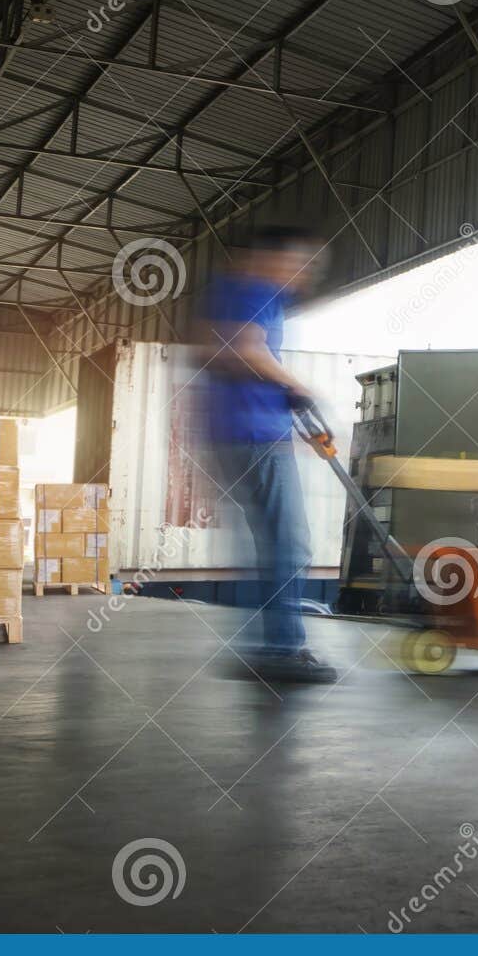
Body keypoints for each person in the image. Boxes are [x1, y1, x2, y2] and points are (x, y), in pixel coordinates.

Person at [201, 224, 338, 683]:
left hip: (241, 433)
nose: (306, 274)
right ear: (274, 258)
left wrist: (287, 403)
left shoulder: (231, 291)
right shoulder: (256, 290)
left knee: (269, 544)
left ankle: (270, 645)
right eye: (302, 263)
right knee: (290, 544)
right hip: (256, 437)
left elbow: (229, 353)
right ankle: (282, 649)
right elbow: (244, 349)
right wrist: (297, 386)